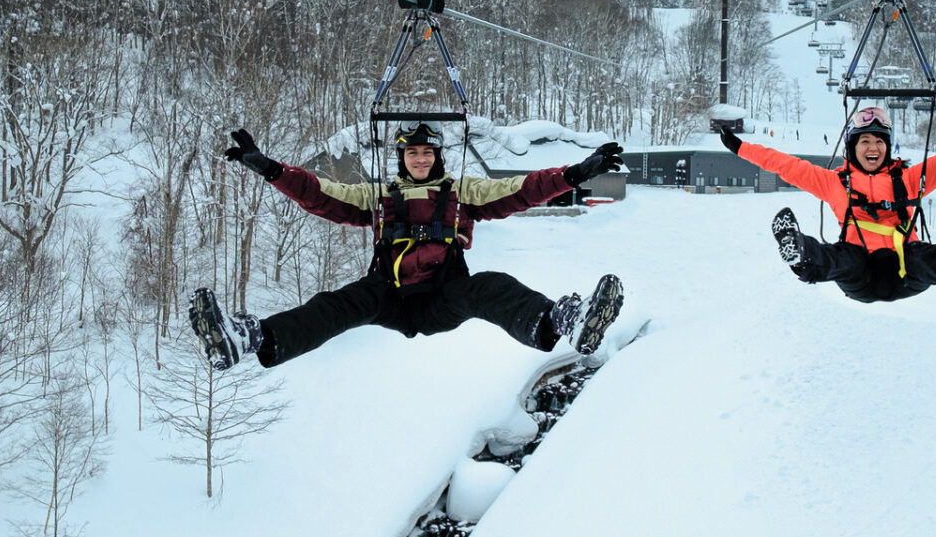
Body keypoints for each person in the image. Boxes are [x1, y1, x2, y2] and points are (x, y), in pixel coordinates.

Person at [188, 123, 626, 371]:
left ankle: (564, 319)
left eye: (428, 153)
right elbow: (320, 194)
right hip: (389, 294)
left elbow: (521, 189)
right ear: (402, 158)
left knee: (491, 287)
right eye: (412, 153)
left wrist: (572, 175)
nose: (420, 159)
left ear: (438, 157)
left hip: (444, 296)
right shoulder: (378, 197)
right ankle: (248, 337)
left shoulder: (462, 193)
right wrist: (271, 170)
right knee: (339, 305)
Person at [719, 105, 936, 303]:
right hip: (859, 274)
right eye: (865, 141)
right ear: (853, 147)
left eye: (879, 142)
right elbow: (785, 165)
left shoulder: (908, 180)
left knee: (924, 256)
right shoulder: (835, 183)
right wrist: (741, 147)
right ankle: (801, 254)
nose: (873, 147)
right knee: (840, 258)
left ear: (887, 148)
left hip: (904, 269)